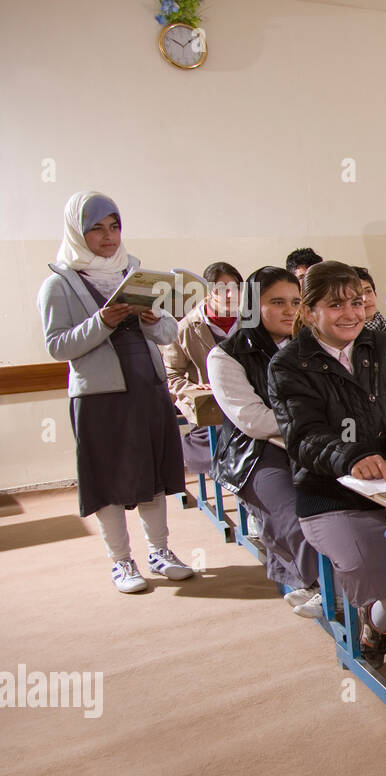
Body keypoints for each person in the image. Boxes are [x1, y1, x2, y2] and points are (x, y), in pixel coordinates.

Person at [267, 261, 386, 666]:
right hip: (330, 494)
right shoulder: (288, 364)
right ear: (309, 313)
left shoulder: (383, 346)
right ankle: (375, 623)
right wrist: (355, 457)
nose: (352, 314)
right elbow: (304, 437)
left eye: (357, 303)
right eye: (336, 305)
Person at [39, 190, 193, 593]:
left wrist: (152, 318)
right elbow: (58, 346)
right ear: (78, 232)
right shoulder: (58, 284)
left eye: (114, 227)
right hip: (99, 397)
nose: (108, 238)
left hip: (146, 385)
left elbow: (166, 333)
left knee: (154, 473)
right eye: (96, 229)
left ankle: (160, 551)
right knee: (108, 478)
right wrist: (103, 321)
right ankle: (121, 561)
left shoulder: (135, 273)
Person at [207, 267, 323, 617]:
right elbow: (253, 420)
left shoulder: (311, 346)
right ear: (253, 305)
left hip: (310, 445)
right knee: (295, 517)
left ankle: (342, 586)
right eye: (277, 302)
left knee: (344, 511)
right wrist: (310, 422)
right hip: (254, 453)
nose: (290, 310)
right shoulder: (225, 356)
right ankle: (324, 589)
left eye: (295, 302)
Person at [162, 261, 244, 474]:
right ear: (208, 293)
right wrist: (191, 389)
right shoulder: (186, 328)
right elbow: (171, 374)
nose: (229, 295)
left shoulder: (251, 324)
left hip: (246, 402)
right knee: (224, 441)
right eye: (221, 290)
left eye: (235, 289)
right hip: (209, 408)